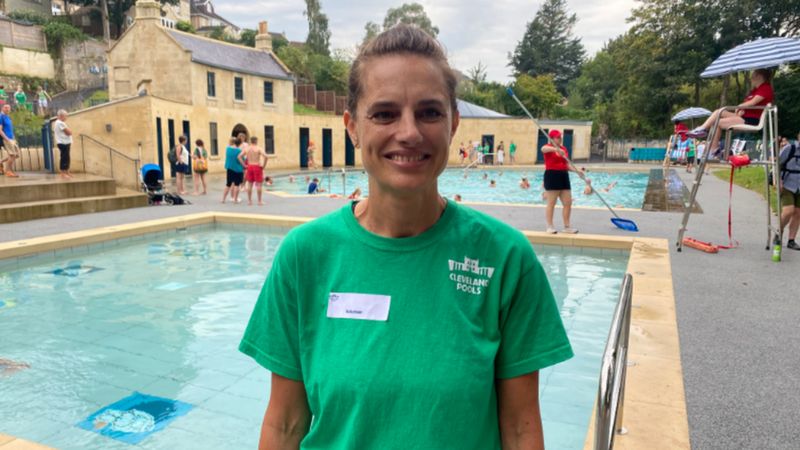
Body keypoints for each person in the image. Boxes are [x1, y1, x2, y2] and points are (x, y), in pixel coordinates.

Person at [240, 24, 572, 450]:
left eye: (430, 112)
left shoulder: (504, 259)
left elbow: (522, 428)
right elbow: (285, 424)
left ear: (453, 124)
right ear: (353, 126)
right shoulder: (305, 257)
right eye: (384, 113)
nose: (410, 132)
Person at [689, 69, 774, 156]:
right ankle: (702, 129)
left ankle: (714, 150)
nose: (750, 78)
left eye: (752, 76)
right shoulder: (755, 90)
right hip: (743, 116)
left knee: (717, 123)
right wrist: (741, 109)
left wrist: (740, 106)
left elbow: (753, 103)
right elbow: (749, 105)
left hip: (751, 120)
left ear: (759, 77)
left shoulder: (765, 88)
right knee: (718, 112)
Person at [542, 129, 581, 234]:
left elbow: (566, 165)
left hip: (564, 176)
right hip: (552, 175)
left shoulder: (563, 149)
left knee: (568, 203)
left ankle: (567, 227)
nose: (560, 138)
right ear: (552, 138)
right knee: (551, 203)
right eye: (558, 137)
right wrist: (555, 149)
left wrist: (577, 171)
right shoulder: (548, 147)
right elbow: (543, 149)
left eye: (560, 137)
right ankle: (550, 226)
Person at [778, 133, 800, 250]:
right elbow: (777, 165)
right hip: (787, 183)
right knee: (788, 211)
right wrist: (778, 181)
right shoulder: (790, 149)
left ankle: (791, 240)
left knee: (798, 213)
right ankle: (779, 231)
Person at [244, 136, 268, 205]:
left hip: (250, 166)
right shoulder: (258, 148)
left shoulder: (247, 148)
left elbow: (239, 156)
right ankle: (259, 201)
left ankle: (249, 201)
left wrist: (244, 165)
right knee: (259, 185)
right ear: (256, 141)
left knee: (250, 184)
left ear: (251, 141)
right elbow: (266, 156)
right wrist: (264, 166)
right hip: (257, 166)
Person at [222, 137, 245, 203]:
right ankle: (235, 199)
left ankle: (223, 199)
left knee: (228, 184)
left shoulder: (227, 149)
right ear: (239, 144)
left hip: (229, 168)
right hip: (238, 169)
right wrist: (244, 166)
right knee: (236, 185)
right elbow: (242, 160)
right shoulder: (239, 151)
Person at [0, 104, 20, 177]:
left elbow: (10, 129)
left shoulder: (7, 117)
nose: (7, 109)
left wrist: (13, 138)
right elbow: (0, 130)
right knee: (12, 155)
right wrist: (7, 139)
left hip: (12, 138)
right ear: (2, 108)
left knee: (16, 155)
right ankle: (8, 171)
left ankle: (0, 162)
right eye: (5, 107)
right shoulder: (1, 117)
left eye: (8, 108)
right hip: (7, 139)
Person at [54, 109, 73, 179]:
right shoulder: (59, 123)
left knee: (67, 157)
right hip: (63, 142)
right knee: (64, 157)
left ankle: (66, 171)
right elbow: (69, 132)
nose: (66, 117)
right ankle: (63, 173)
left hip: (65, 142)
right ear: (62, 116)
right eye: (66, 116)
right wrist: (70, 131)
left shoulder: (60, 122)